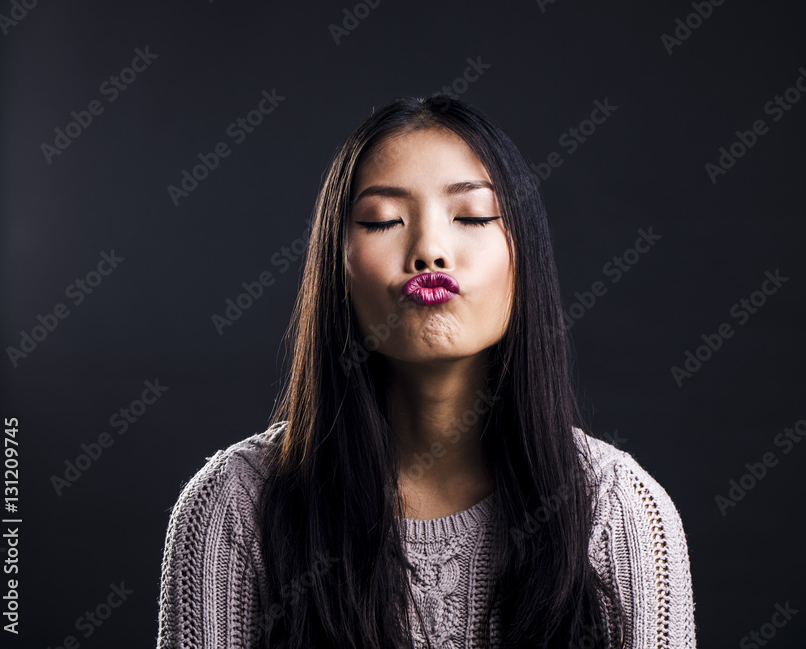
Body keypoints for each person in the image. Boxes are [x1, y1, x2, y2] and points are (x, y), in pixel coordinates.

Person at [156, 94, 696, 648]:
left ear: (525, 256)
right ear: (336, 266)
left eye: (473, 216)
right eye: (383, 220)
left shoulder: (619, 513)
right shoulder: (235, 507)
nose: (430, 251)